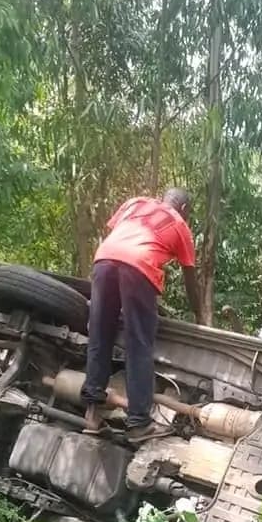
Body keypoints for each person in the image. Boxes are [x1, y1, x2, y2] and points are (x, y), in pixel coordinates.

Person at [81, 188, 201, 444]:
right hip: (139, 266)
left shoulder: (135, 203)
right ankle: (138, 424)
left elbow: (117, 232)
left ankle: (91, 416)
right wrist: (200, 316)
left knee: (100, 335)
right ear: (184, 209)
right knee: (139, 345)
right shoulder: (180, 224)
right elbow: (191, 280)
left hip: (103, 260)